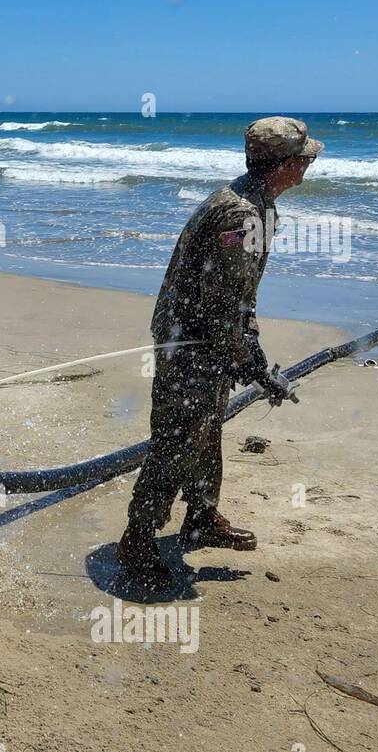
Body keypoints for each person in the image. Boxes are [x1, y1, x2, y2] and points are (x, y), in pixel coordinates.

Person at [116, 116, 320, 587]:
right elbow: (220, 302)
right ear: (283, 165)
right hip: (189, 341)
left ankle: (202, 516)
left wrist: (247, 351)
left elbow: (240, 296)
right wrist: (251, 362)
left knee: (206, 429)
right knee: (177, 439)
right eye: (303, 158)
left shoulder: (260, 204)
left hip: (212, 338)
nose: (308, 164)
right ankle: (137, 540)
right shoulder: (240, 214)